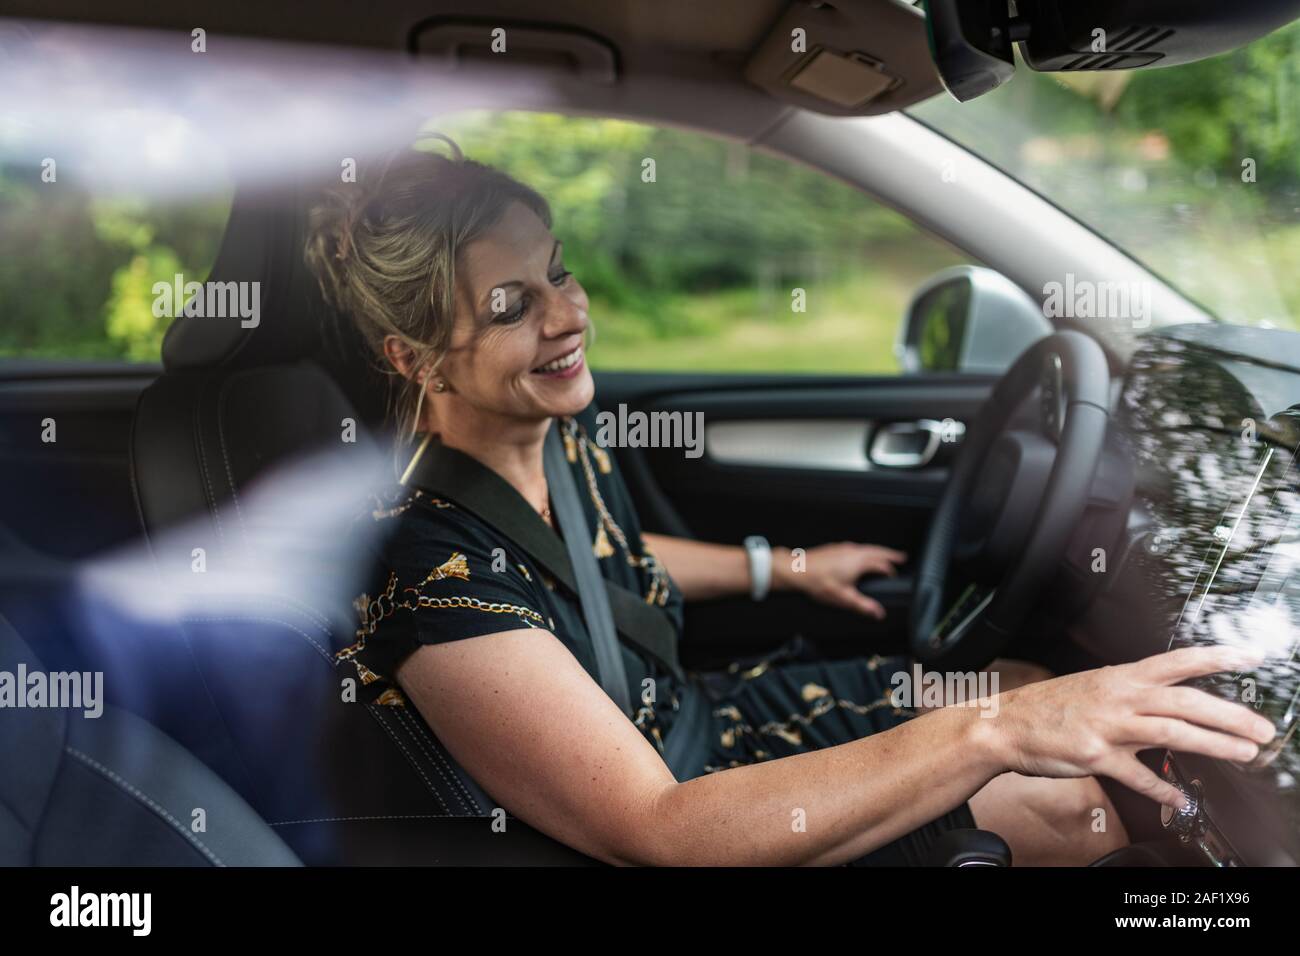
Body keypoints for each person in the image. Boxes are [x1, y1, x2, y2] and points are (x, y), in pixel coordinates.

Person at [306, 139, 1276, 866]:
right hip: (687, 803)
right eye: (510, 305)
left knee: (1012, 674)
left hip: (699, 714)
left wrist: (787, 566)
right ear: (414, 357)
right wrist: (995, 737)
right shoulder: (424, 575)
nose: (567, 313)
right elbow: (658, 827)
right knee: (1076, 799)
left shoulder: (548, 434)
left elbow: (593, 560)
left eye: (555, 268)